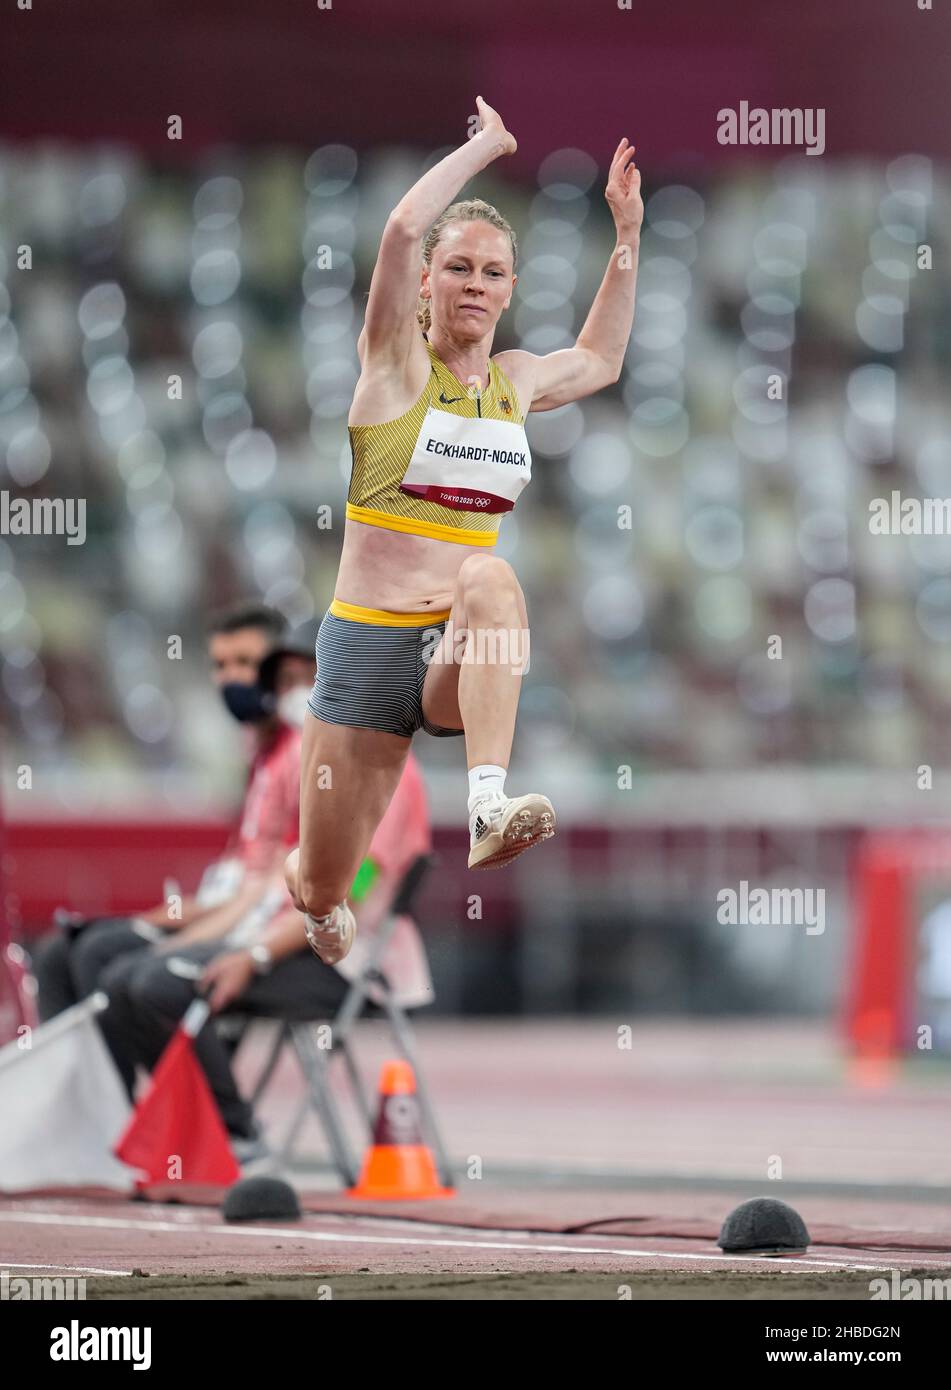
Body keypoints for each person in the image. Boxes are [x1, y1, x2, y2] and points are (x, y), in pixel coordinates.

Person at [288, 96, 643, 966]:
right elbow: (404, 227)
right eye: (459, 269)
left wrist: (627, 233)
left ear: (510, 289)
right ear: (427, 283)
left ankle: (488, 803)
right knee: (323, 885)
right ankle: (315, 896)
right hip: (366, 650)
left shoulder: (514, 384)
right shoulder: (392, 367)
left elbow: (600, 360)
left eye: (491, 273)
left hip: (447, 649)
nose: (475, 286)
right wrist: (487, 149)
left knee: (491, 579)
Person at [32, 602, 294, 1024]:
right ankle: (104, 1088)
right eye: (221, 665)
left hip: (285, 936)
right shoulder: (258, 759)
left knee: (114, 965)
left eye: (245, 663)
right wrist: (160, 921)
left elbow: (307, 888)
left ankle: (167, 1090)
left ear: (284, 670)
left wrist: (177, 942)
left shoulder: (303, 757)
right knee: (61, 953)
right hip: (243, 914)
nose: (231, 678)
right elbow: (239, 882)